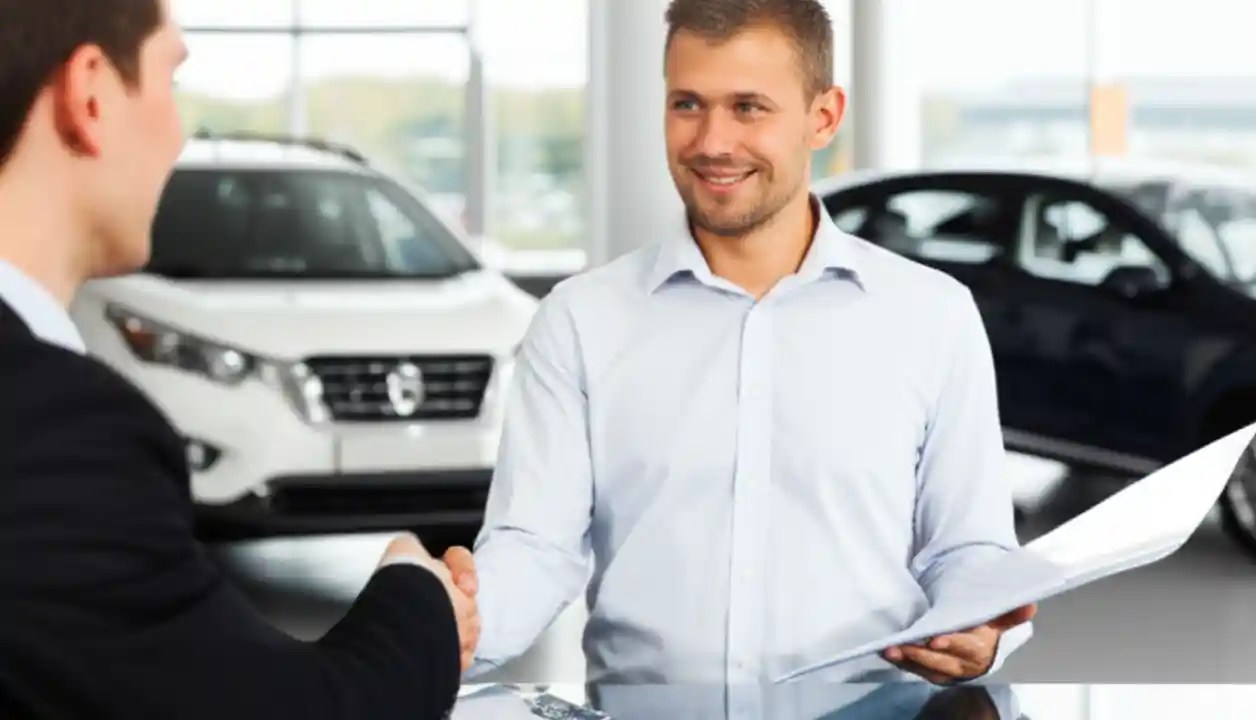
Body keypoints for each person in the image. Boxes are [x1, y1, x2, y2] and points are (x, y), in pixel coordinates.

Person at [448, 0, 1036, 686]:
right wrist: (453, 624)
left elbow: (968, 545)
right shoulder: (580, 320)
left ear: (824, 116)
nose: (712, 142)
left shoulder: (932, 317)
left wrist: (980, 626)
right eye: (688, 104)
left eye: (749, 107)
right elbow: (536, 546)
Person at [0, 1, 479, 718]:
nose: (177, 134)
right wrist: (420, 600)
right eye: (172, 82)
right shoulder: (53, 426)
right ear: (90, 95)